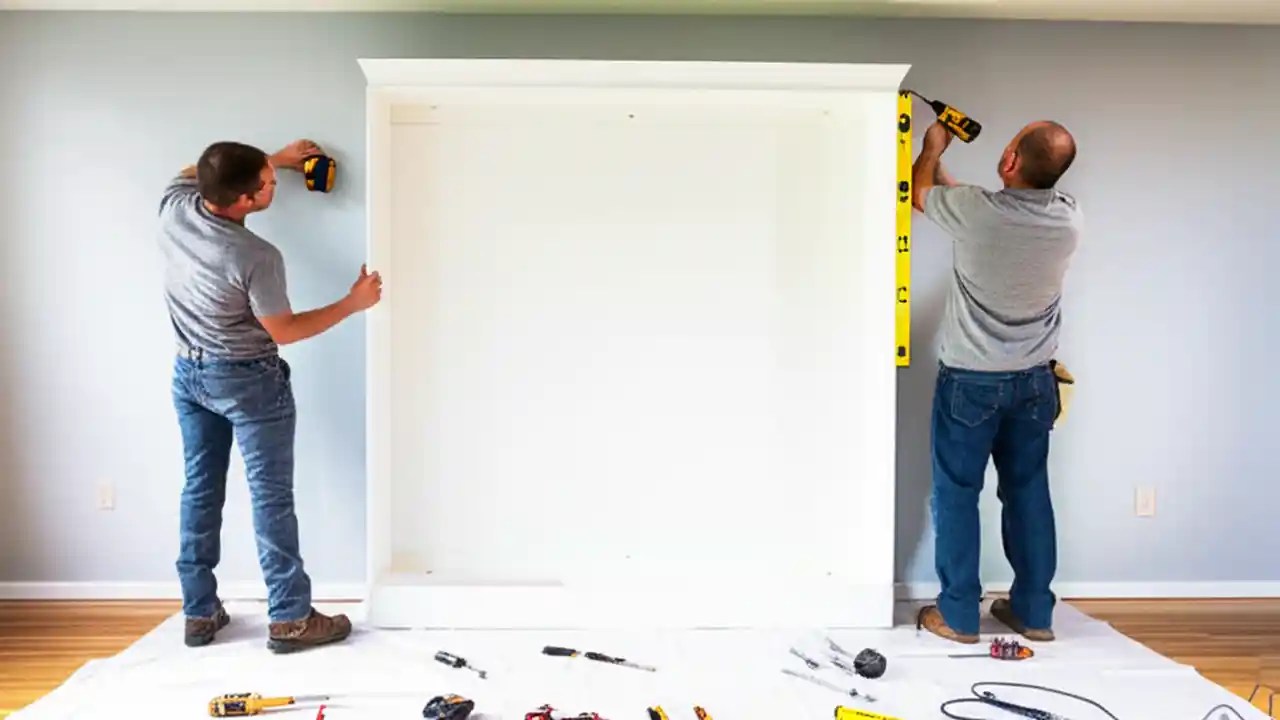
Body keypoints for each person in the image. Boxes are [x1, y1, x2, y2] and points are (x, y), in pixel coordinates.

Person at [157, 139, 382, 653]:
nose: (276, 184)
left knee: (200, 489)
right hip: (247, 380)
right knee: (271, 496)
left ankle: (198, 611)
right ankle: (290, 618)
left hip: (188, 375)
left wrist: (273, 158)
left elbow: (196, 167)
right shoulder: (255, 255)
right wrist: (353, 302)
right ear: (245, 200)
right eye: (269, 183)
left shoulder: (176, 206)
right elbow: (284, 330)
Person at [910, 119, 1081, 644]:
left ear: (1009, 161)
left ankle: (959, 615)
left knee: (957, 494)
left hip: (972, 384)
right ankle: (1034, 612)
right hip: (1034, 384)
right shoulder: (1069, 217)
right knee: (1028, 492)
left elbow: (922, 194)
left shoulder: (978, 215)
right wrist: (943, 171)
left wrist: (932, 148)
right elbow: (970, 204)